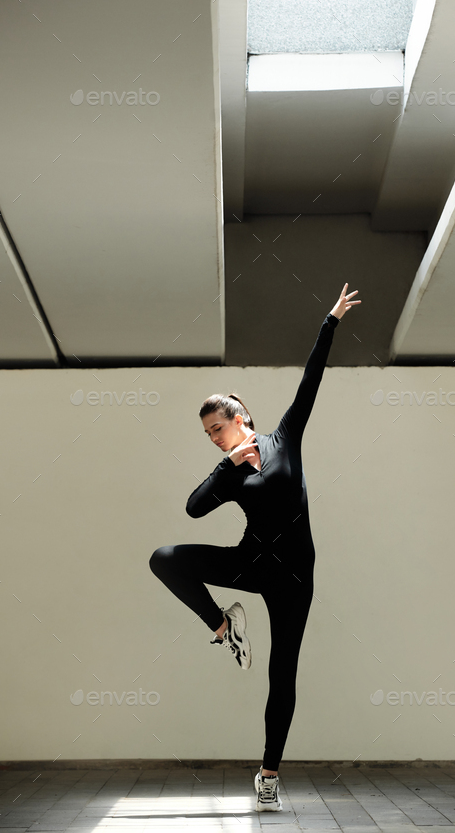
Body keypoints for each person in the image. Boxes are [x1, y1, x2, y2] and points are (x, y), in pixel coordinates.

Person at [149, 283, 361, 811]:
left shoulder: (286, 436)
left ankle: (268, 774)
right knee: (164, 559)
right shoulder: (230, 468)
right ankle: (224, 627)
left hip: (294, 577)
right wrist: (228, 464)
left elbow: (310, 381)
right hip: (252, 564)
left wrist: (330, 320)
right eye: (208, 436)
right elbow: (194, 508)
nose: (216, 438)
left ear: (240, 414)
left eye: (219, 429)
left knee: (282, 671)